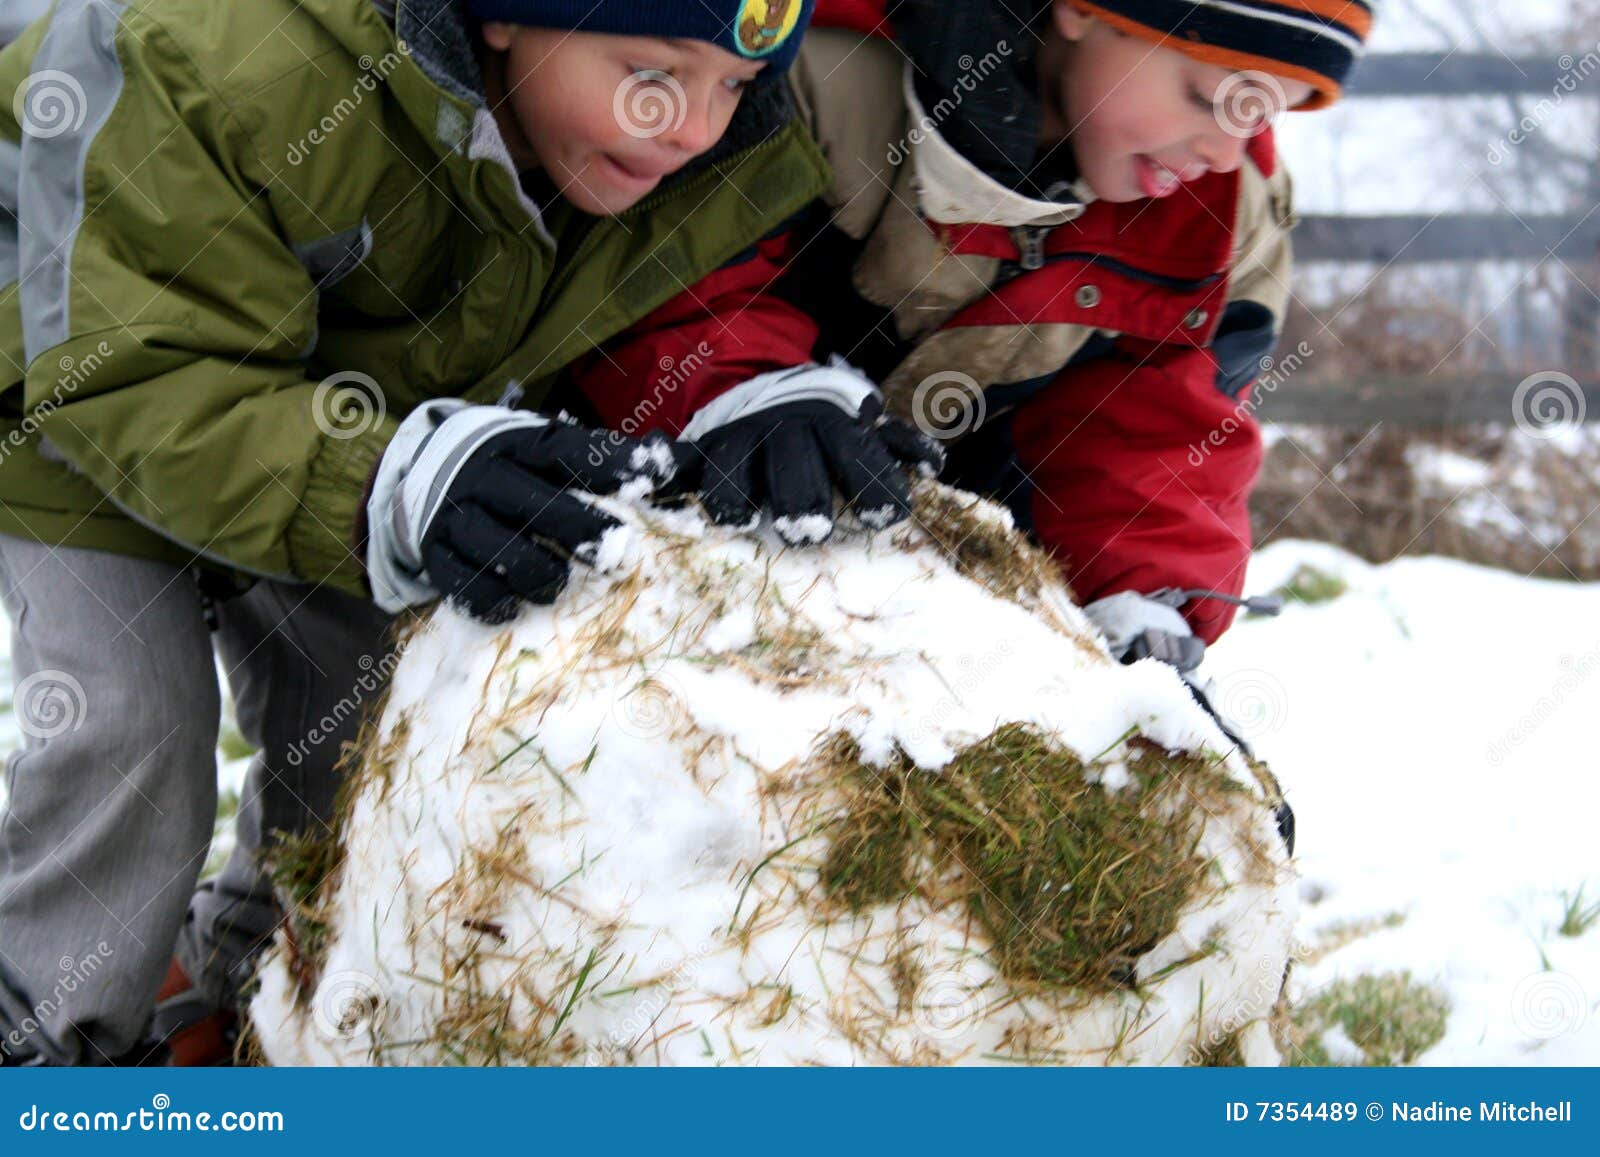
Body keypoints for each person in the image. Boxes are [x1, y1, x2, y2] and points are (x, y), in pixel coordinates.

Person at [0, 0, 830, 1065]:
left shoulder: (618, 140)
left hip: (318, 399)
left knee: (363, 710)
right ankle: (39, 1042)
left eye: (731, 85)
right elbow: (139, 364)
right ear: (499, 18)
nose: (696, 127)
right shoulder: (238, 61)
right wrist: (378, 480)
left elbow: (676, 304)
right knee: (134, 717)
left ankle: (243, 998)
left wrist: (746, 397)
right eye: (654, 67)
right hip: (69, 353)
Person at [575, 0, 1370, 687]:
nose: (1224, 151)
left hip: (956, 598)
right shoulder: (833, 73)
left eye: (1265, 117)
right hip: (682, 500)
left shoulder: (1228, 214)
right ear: (1086, 9)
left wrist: (1146, 604)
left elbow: (1159, 436)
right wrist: (752, 392)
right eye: (1209, 97)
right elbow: (676, 278)